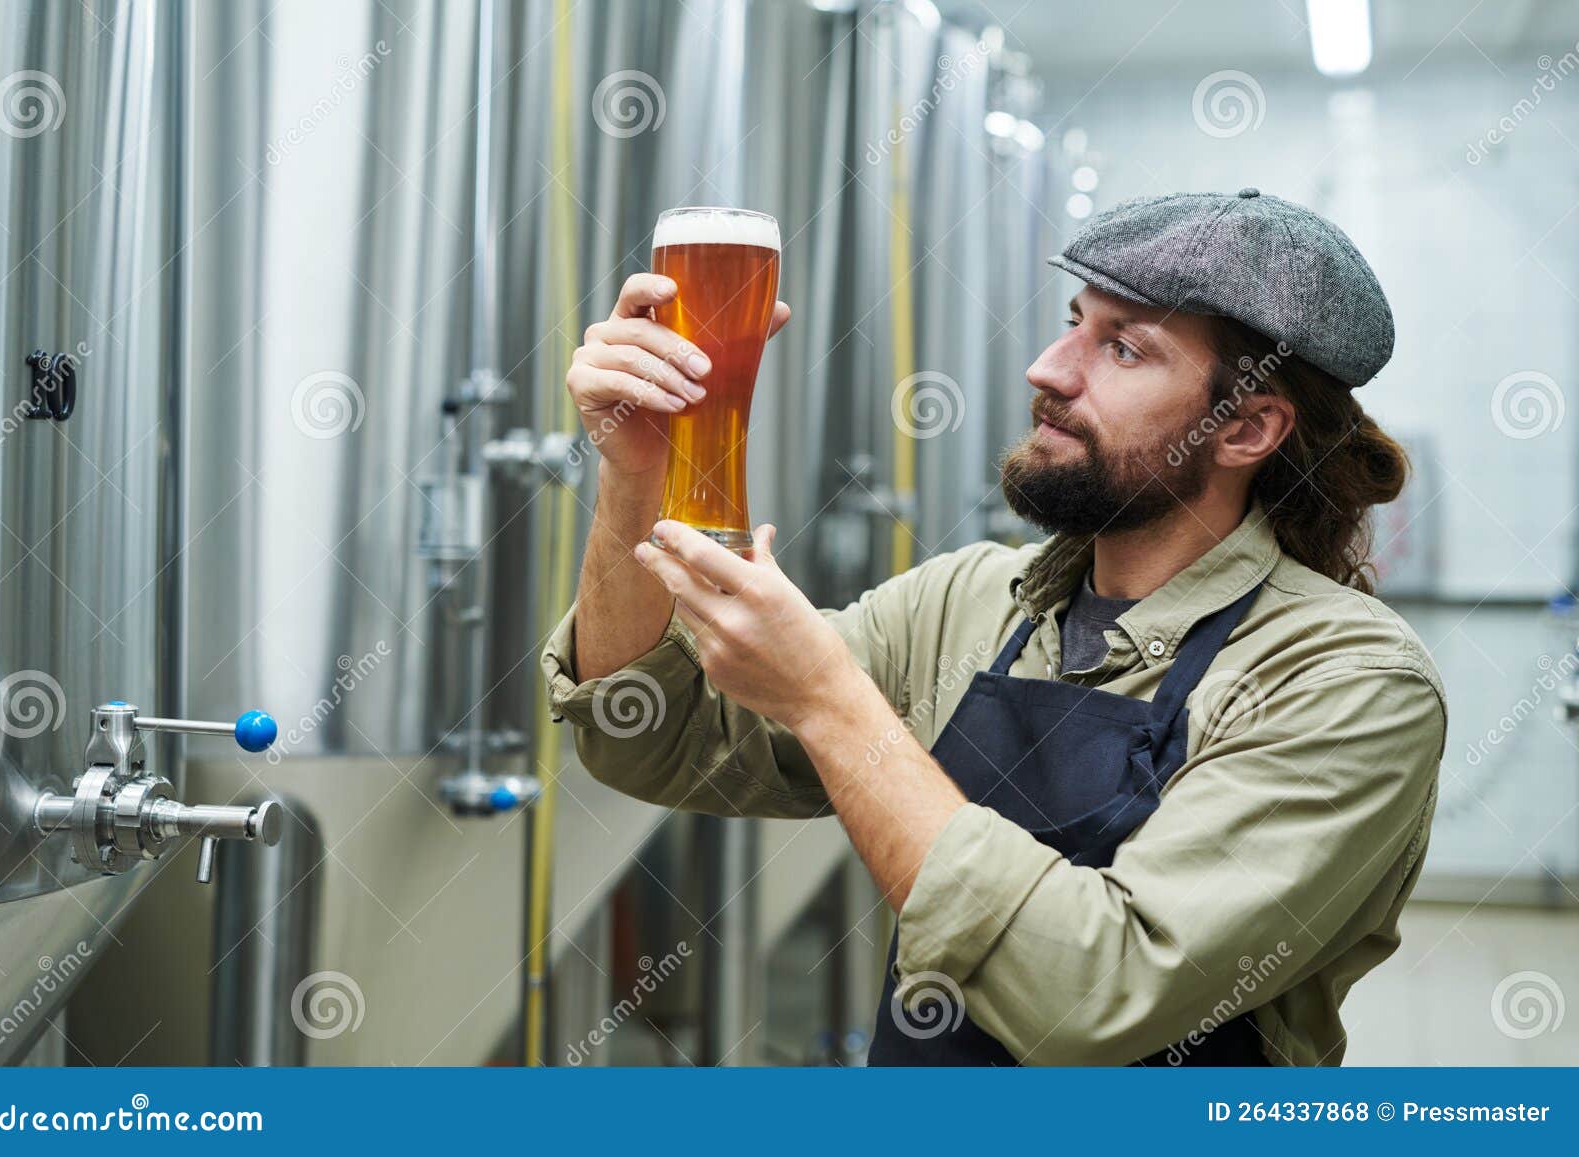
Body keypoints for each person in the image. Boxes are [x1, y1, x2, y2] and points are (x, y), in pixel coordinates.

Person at [542, 189, 1446, 1066]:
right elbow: (650, 739)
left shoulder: (1345, 680)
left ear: (1245, 427)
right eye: (1074, 322)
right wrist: (636, 474)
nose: (1048, 369)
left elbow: (1096, 997)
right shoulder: (974, 598)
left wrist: (827, 700)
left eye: (1123, 348)